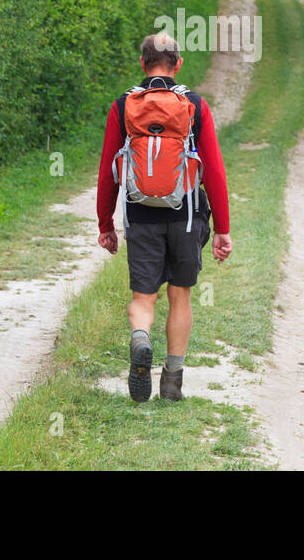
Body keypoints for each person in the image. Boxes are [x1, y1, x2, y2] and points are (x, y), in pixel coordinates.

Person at [97, 33, 232, 402]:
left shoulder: (123, 105)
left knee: (144, 296)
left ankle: (141, 339)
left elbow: (108, 170)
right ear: (178, 64)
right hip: (186, 214)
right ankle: (172, 379)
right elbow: (215, 171)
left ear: (143, 63)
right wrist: (222, 229)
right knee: (180, 295)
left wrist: (105, 223)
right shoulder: (194, 105)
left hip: (141, 214)